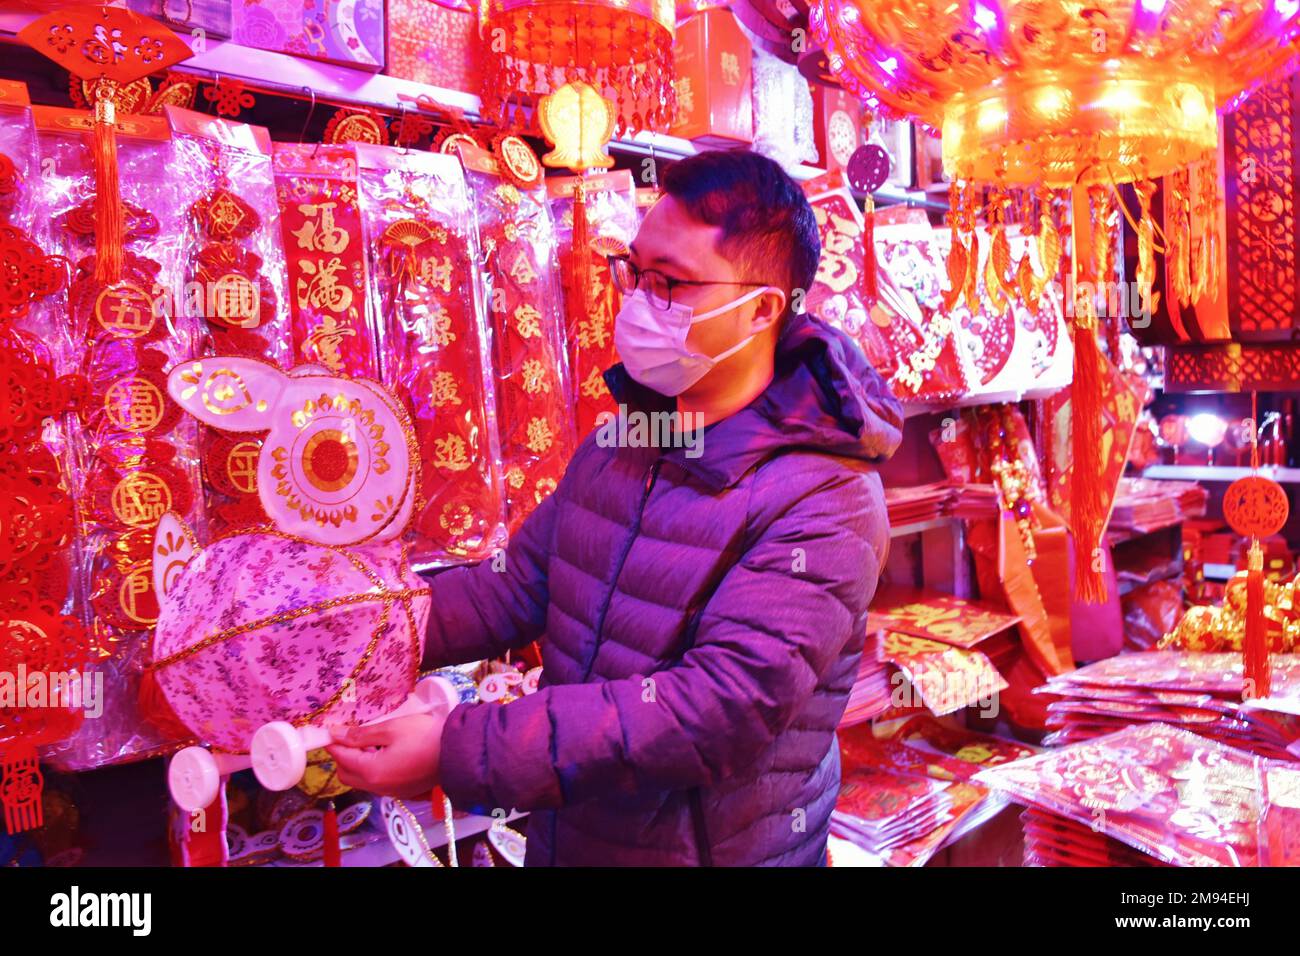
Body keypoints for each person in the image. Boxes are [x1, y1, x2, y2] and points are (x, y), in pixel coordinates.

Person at [328, 148, 903, 866]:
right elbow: (515, 587)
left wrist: (460, 748)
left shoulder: (826, 496)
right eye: (635, 272)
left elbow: (718, 709)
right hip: (576, 839)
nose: (638, 300)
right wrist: (350, 638)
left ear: (761, 309)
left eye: (672, 282)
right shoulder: (624, 441)